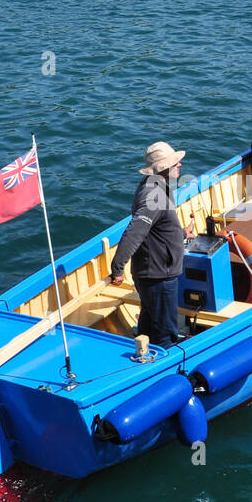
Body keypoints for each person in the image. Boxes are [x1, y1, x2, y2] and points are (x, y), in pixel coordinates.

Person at [110, 141, 193, 350]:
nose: (180, 166)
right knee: (165, 332)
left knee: (149, 324)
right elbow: (135, 230)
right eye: (176, 163)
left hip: (153, 271)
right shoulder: (154, 195)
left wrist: (180, 233)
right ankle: (164, 368)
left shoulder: (154, 185)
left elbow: (155, 228)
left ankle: (146, 353)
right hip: (158, 276)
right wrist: (118, 267)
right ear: (164, 168)